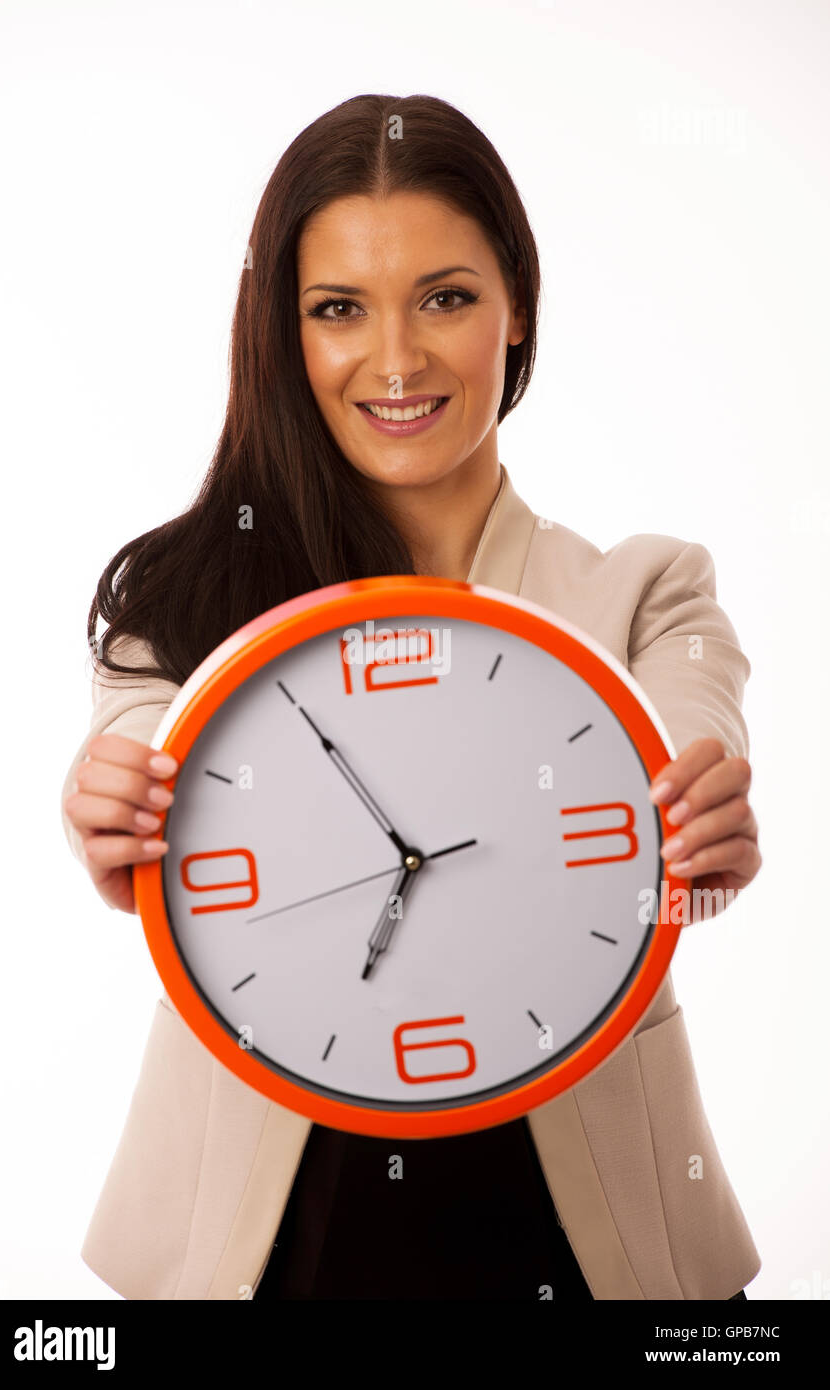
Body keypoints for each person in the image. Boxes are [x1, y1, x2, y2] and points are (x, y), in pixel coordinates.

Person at [60, 93, 762, 1301]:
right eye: (338, 309)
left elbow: (688, 733)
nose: (395, 360)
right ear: (283, 337)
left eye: (445, 297)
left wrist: (701, 815)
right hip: (275, 1237)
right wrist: (107, 801)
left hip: (583, 1235)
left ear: (516, 309)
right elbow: (136, 753)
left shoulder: (645, 590)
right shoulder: (181, 597)